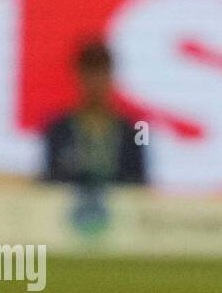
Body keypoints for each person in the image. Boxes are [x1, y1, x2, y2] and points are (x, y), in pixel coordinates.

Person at [43, 39, 147, 187]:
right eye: (89, 73)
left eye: (101, 72)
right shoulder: (57, 129)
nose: (95, 81)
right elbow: (50, 183)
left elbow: (140, 185)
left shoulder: (135, 130)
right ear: (78, 75)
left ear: (110, 75)